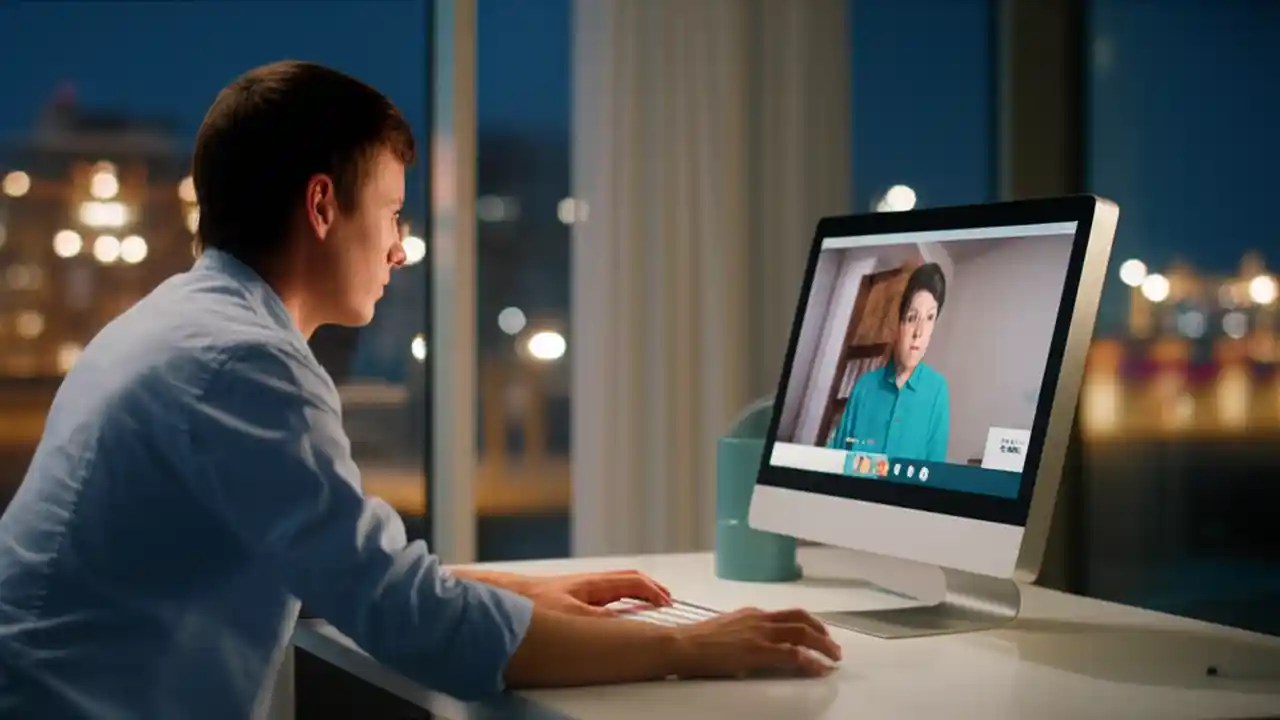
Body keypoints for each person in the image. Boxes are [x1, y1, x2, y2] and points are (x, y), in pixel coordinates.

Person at [0, 61, 840, 718]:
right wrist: (696, 648)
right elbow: (411, 620)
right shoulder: (241, 362)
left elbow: (336, 571)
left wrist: (523, 592)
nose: (401, 250)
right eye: (394, 212)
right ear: (323, 205)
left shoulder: (183, 323)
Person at [828, 262, 951, 462]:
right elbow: (836, 455)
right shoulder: (865, 386)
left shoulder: (937, 391)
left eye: (929, 318)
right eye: (912, 318)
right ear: (898, 324)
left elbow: (933, 472)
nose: (919, 333)